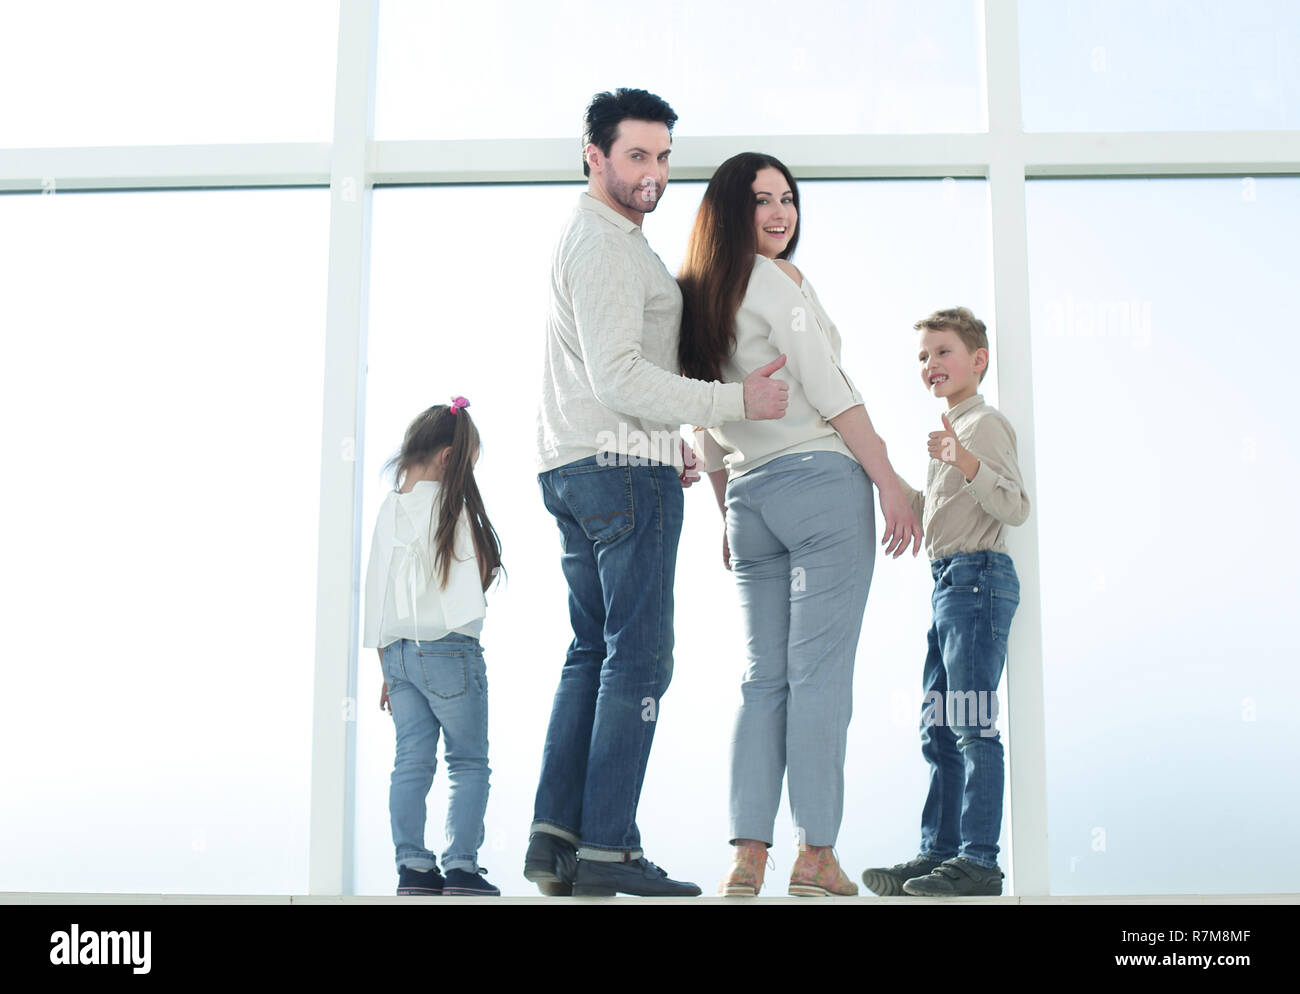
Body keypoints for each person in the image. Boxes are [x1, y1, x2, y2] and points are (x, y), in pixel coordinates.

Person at [525, 91, 791, 898]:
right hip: (616, 472)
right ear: (593, 155)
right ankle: (608, 850)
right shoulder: (605, 244)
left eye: (663, 156)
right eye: (637, 155)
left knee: (592, 654)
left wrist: (663, 435)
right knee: (637, 661)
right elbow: (619, 373)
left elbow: (610, 378)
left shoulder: (605, 241)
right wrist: (733, 404)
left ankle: (557, 842)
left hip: (582, 463)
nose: (654, 172)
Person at [678, 151, 922, 897]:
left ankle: (747, 858)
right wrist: (891, 484)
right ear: (731, 211)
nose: (780, 213)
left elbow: (705, 423)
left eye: (787, 199)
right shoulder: (775, 281)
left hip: (751, 501)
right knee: (819, 680)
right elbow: (826, 385)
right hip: (820, 486)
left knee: (763, 683)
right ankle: (815, 856)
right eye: (762, 200)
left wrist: (727, 512)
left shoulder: (697, 299)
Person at [860, 307, 1030, 897]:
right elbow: (938, 517)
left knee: (973, 724)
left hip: (977, 580)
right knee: (938, 727)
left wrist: (964, 460)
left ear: (978, 361)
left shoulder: (983, 425)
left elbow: (1014, 506)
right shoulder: (951, 435)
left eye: (943, 352)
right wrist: (878, 469)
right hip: (949, 584)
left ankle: (979, 860)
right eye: (924, 357)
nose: (931, 364)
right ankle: (940, 852)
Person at [363, 398, 504, 897]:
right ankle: (462, 868)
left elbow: (376, 592)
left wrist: (388, 665)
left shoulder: (388, 510)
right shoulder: (455, 507)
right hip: (449, 653)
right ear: (449, 458)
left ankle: (413, 869)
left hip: (397, 655)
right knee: (467, 763)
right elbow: (478, 580)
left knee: (411, 762)